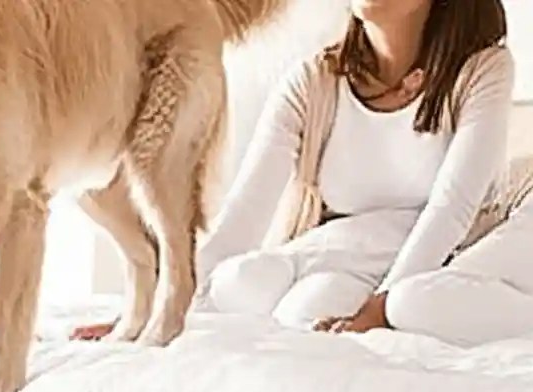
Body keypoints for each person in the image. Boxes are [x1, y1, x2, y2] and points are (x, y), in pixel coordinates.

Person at [75, 0, 533, 347]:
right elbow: (246, 213)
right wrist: (154, 309)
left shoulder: (484, 69)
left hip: (485, 237)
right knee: (275, 298)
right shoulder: (314, 81)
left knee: (412, 304)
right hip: (367, 251)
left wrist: (381, 306)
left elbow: (452, 207)